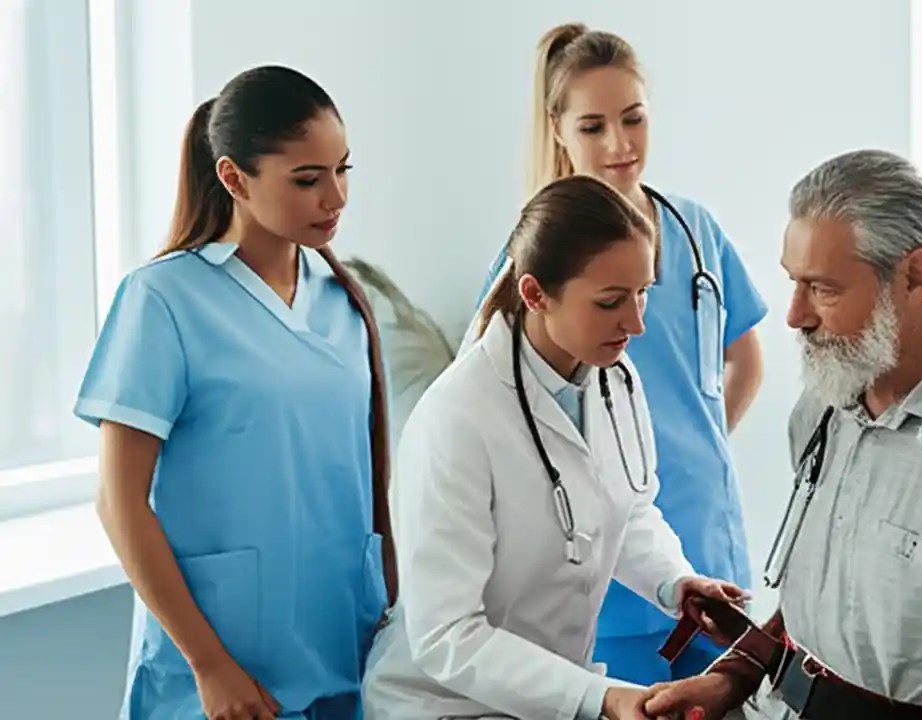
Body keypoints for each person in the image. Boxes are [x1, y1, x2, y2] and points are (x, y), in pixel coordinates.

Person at [644, 150, 922, 720]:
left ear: (916, 275)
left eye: (823, 289)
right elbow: (833, 599)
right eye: (795, 282)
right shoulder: (827, 401)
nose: (795, 315)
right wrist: (736, 675)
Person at [74, 65, 397, 719]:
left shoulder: (343, 301)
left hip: (344, 652)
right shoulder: (163, 300)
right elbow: (119, 502)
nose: (334, 197)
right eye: (307, 179)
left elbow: (364, 488)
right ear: (233, 178)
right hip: (221, 675)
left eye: (343, 171)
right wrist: (208, 663)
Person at [362, 174, 747, 720]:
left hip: (540, 697)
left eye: (643, 293)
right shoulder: (458, 417)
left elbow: (629, 509)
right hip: (443, 704)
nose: (636, 323)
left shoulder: (615, 380)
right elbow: (446, 635)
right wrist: (603, 697)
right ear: (535, 294)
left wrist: (674, 580)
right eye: (611, 301)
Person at [468, 23, 769, 685]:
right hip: (605, 567)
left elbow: (745, 356)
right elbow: (495, 414)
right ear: (558, 131)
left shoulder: (695, 229)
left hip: (706, 545)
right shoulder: (534, 261)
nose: (619, 144)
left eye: (633, 118)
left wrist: (703, 443)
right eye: (594, 126)